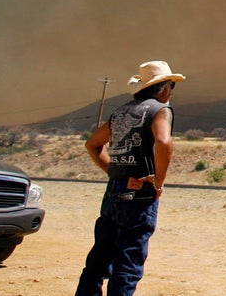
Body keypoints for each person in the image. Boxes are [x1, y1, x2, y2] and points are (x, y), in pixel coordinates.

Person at [76, 60, 183, 296]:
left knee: (100, 256)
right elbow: (164, 142)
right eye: (171, 87)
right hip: (139, 195)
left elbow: (92, 144)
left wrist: (114, 172)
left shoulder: (121, 111)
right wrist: (158, 181)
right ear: (164, 88)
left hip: (114, 192)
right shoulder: (160, 110)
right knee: (128, 261)